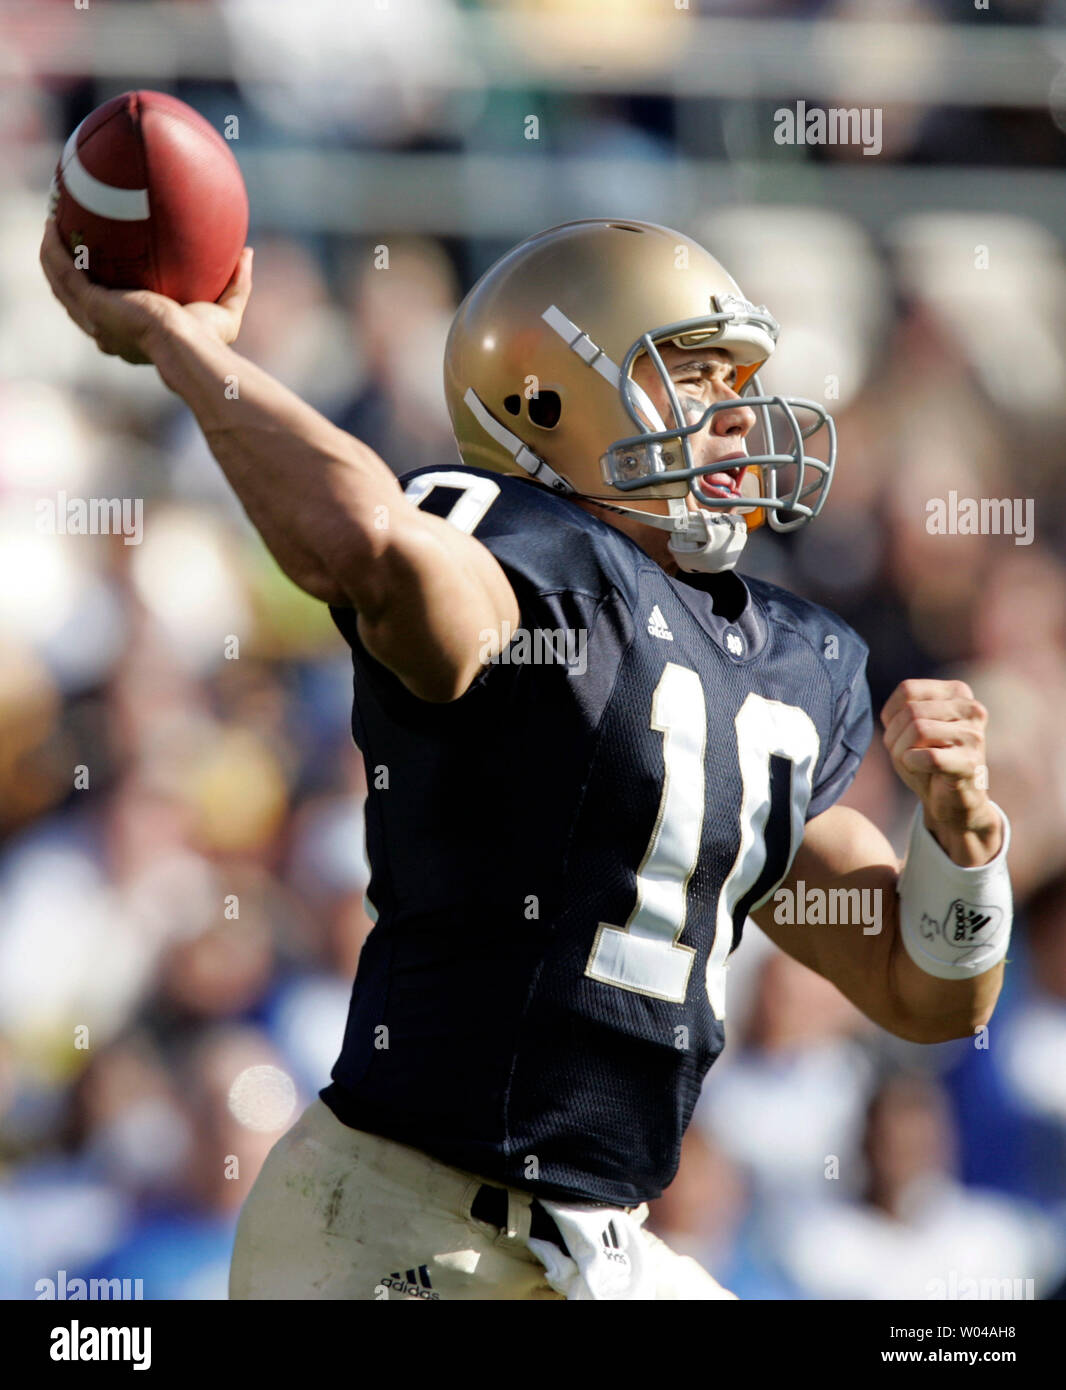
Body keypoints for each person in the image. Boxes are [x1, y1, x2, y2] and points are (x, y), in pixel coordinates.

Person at [41, 216, 1013, 1301]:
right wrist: (190, 349)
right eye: (692, 380)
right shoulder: (518, 557)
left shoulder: (780, 660)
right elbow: (368, 547)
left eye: (737, 381)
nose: (737, 418)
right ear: (547, 402)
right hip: (398, 1224)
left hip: (599, 1245)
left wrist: (961, 840)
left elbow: (925, 990)